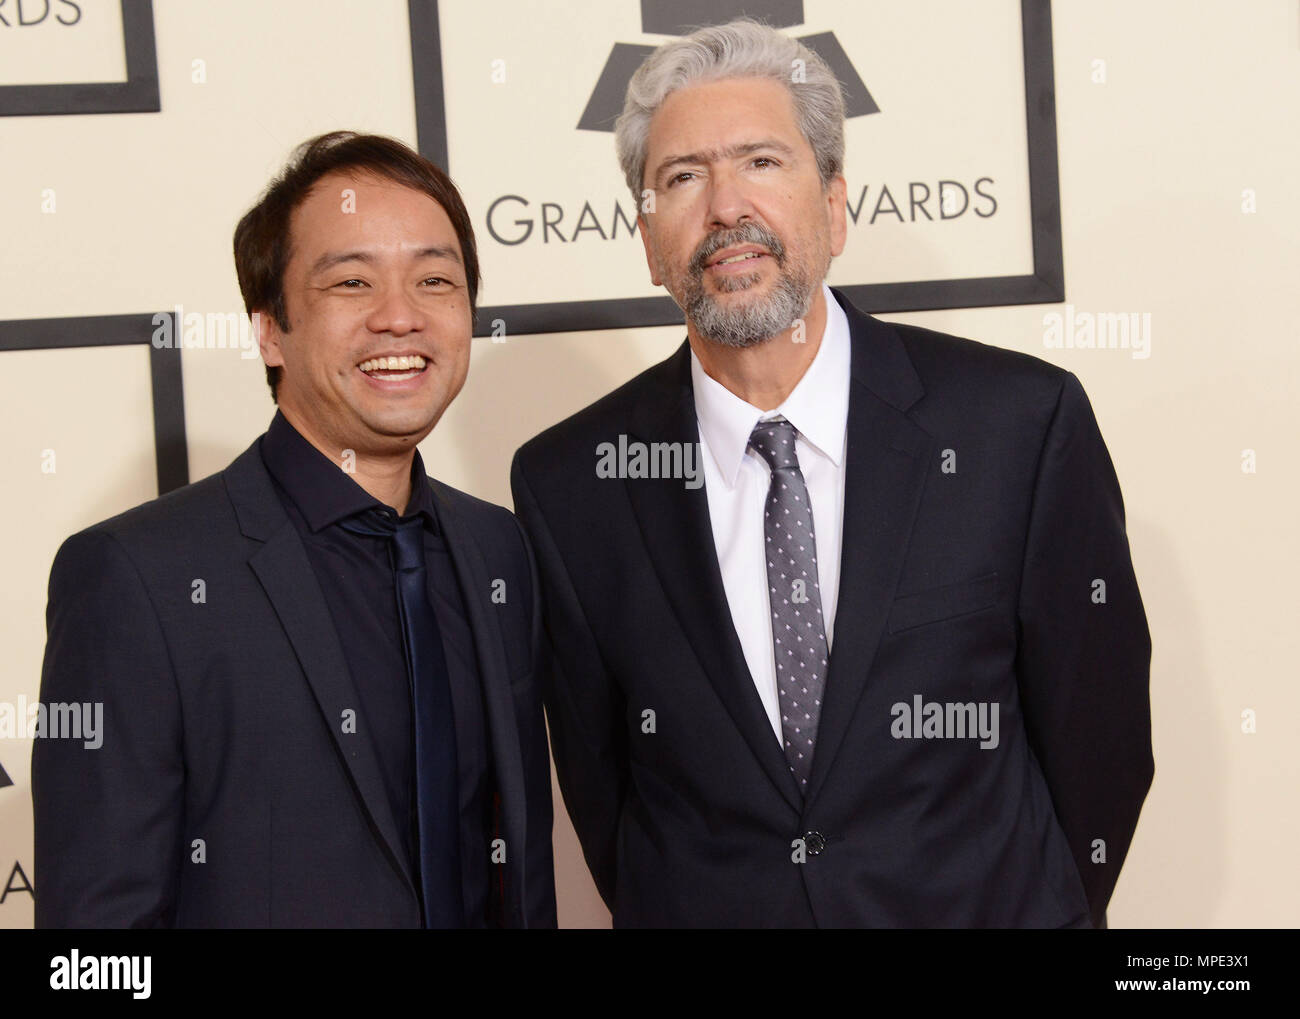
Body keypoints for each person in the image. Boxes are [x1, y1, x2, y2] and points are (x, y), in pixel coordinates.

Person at [511, 20, 1152, 927]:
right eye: (682, 177)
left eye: (762, 162)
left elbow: (1102, 750)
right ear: (649, 240)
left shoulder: (1018, 427)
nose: (726, 205)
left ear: (837, 205)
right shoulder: (569, 485)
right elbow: (609, 802)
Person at [33, 131, 555, 928]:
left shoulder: (499, 550)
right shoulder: (137, 578)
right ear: (270, 328)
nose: (399, 317)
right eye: (352, 281)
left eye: (435, 280)